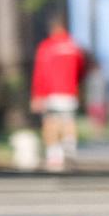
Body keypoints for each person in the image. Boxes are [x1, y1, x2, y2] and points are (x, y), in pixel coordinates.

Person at [30, 14, 87, 171]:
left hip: (51, 93)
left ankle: (54, 154)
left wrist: (37, 95)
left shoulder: (46, 47)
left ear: (53, 29)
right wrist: (78, 86)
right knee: (69, 121)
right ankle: (70, 149)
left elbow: (40, 73)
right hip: (70, 92)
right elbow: (82, 70)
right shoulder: (74, 47)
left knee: (51, 122)